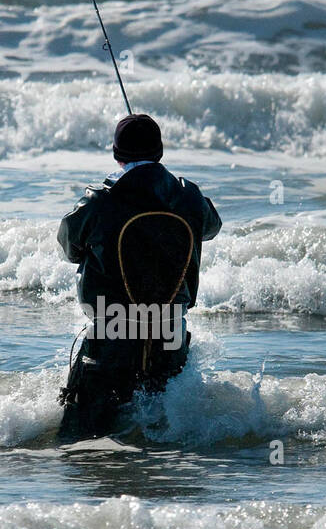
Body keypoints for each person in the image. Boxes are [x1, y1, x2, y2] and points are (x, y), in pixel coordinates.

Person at [56, 113, 222, 441]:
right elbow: (212, 227)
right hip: (170, 329)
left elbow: (69, 247)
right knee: (170, 439)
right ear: (159, 153)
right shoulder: (188, 197)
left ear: (117, 156)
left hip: (112, 333)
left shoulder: (97, 201)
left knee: (80, 440)